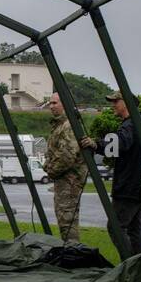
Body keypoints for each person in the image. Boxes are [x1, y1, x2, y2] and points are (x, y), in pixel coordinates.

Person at [43, 92, 95, 243]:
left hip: (70, 181)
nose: (51, 106)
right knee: (64, 220)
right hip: (64, 181)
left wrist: (51, 170)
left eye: (54, 103)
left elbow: (67, 156)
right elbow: (53, 152)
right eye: (50, 103)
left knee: (68, 222)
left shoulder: (69, 126)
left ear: (65, 104)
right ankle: (70, 252)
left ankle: (73, 254)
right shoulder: (59, 126)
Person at [106, 90, 141, 256]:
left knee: (115, 227)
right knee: (135, 228)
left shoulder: (130, 124)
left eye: (116, 101)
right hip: (138, 184)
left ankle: (130, 264)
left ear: (126, 103)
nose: (113, 106)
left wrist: (97, 145)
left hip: (128, 185)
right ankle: (139, 264)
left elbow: (120, 144)